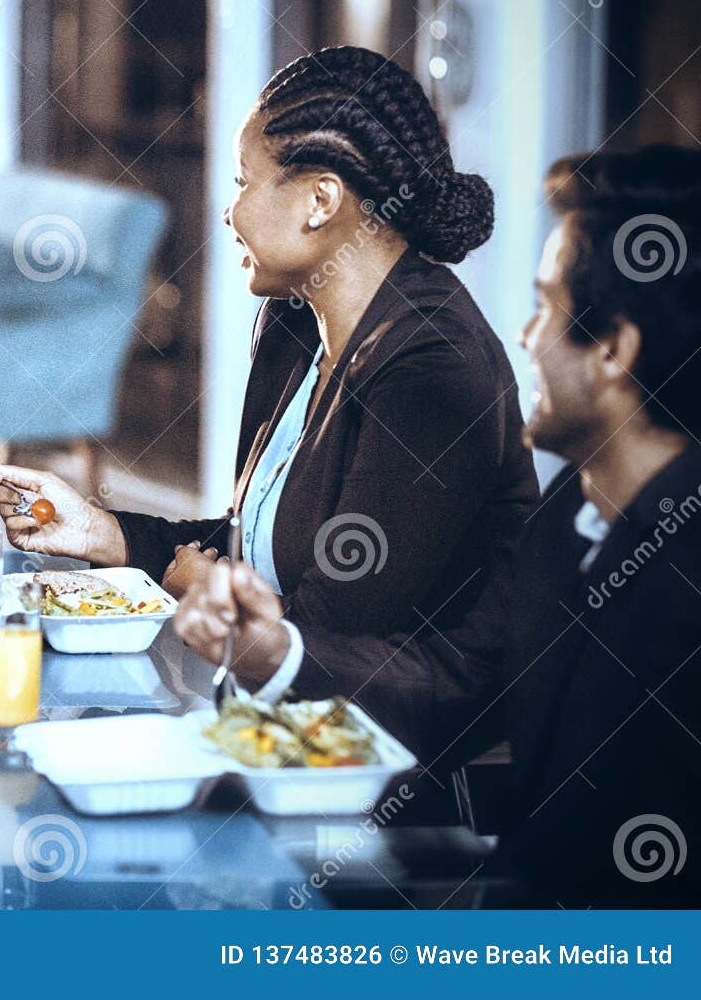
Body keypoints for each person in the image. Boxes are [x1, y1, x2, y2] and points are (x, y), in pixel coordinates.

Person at [174, 145, 701, 907]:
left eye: (548, 308)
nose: (524, 336)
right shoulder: (567, 522)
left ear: (614, 351)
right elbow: (456, 682)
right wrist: (278, 650)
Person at [0, 46, 537, 637]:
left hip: (393, 723)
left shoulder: (432, 369)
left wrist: (203, 587)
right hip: (277, 701)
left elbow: (336, 631)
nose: (229, 212)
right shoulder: (295, 324)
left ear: (321, 201)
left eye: (244, 182)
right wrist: (102, 532)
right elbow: (261, 550)